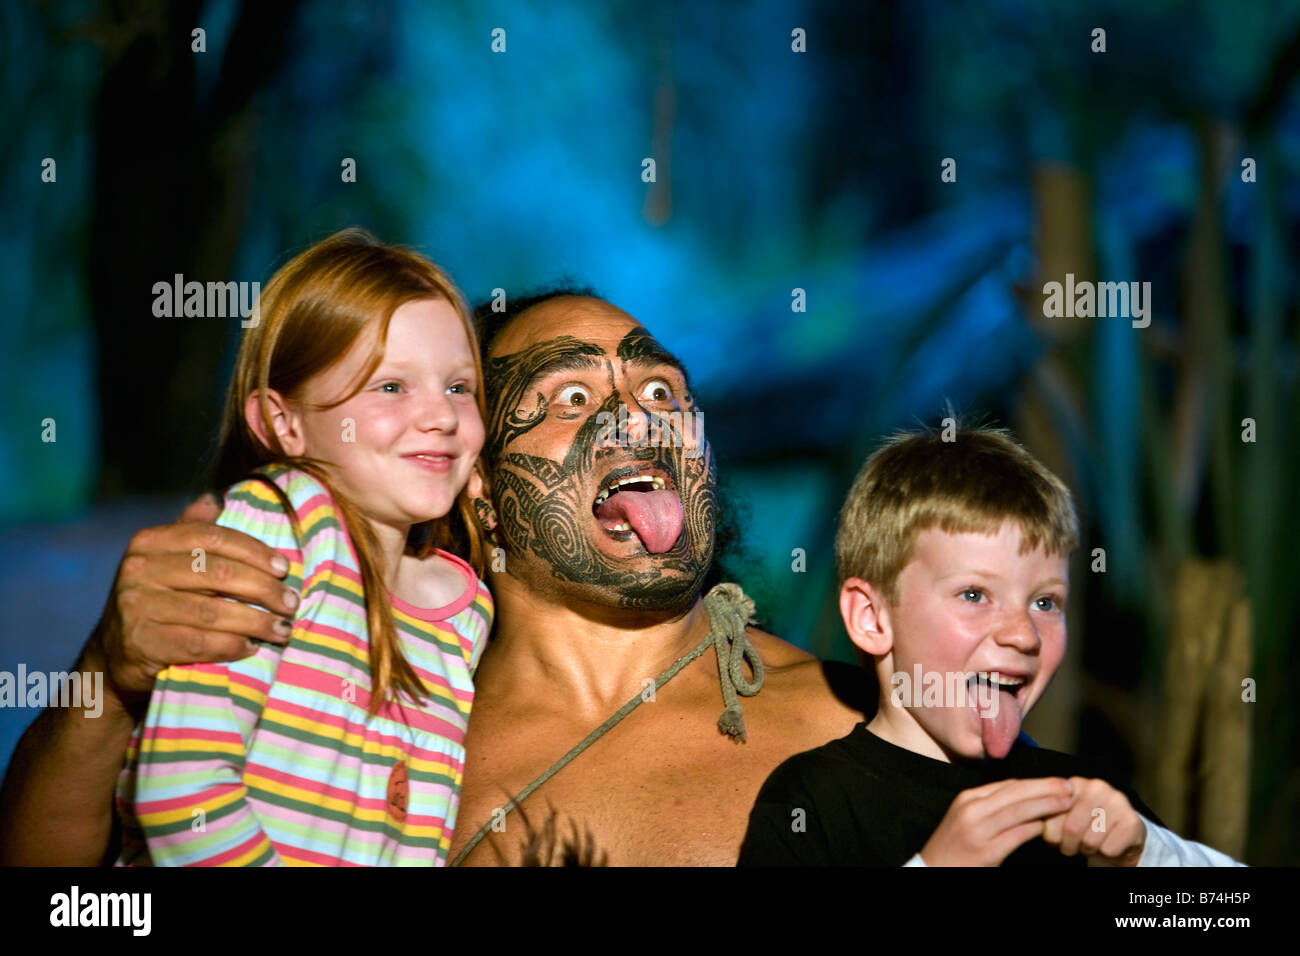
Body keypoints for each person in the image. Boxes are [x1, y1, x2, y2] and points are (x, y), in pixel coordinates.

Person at [0, 291, 871, 867]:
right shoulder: (353, 722)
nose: (634, 415)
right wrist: (111, 681)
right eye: (571, 397)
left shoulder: (862, 721)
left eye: (663, 391)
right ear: (477, 483)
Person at [114, 229, 494, 865]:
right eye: (392, 387)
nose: (442, 416)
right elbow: (180, 789)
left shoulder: (464, 611)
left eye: (459, 387)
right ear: (283, 423)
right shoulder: (279, 527)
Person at [737, 427, 1244, 866]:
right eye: (975, 594)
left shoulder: (1077, 796)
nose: (1024, 634)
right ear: (872, 619)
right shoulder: (812, 805)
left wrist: (1142, 853)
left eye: (1046, 602)